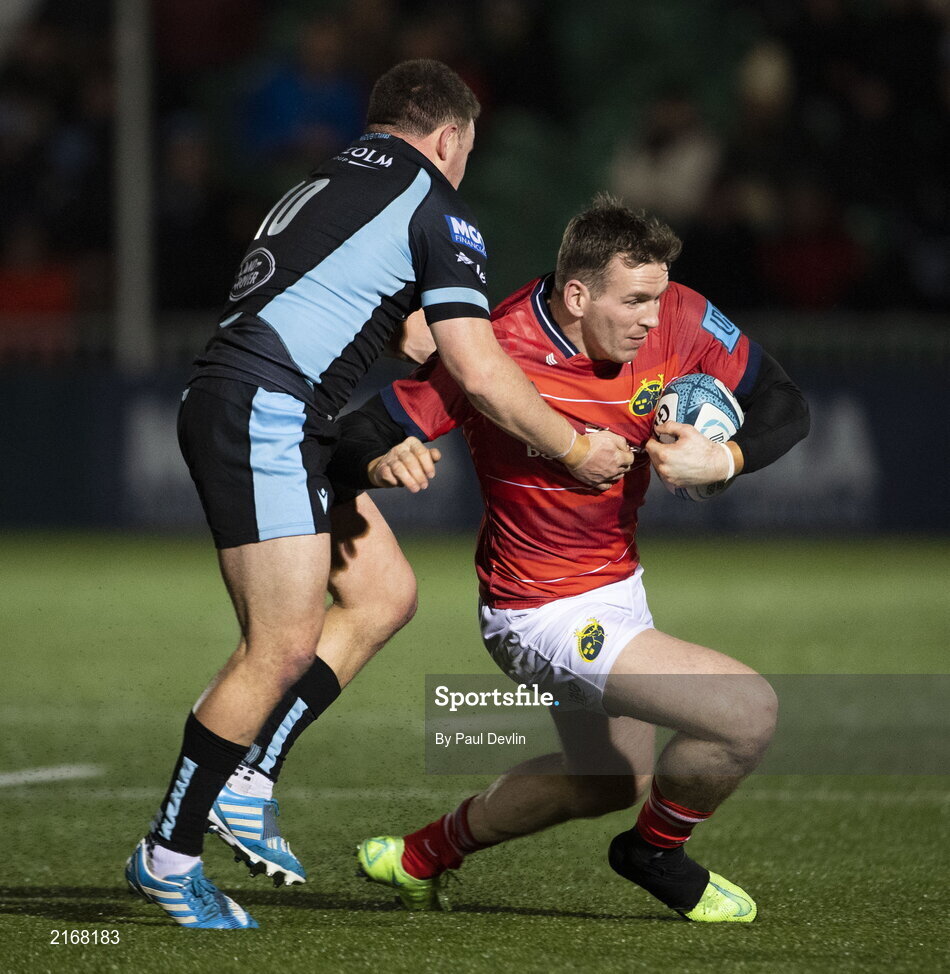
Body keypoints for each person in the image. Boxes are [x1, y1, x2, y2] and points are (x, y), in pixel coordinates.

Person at [125, 60, 631, 931]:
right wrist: (573, 443)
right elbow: (470, 364)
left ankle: (248, 778)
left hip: (269, 407)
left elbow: (397, 326)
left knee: (384, 594)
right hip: (267, 411)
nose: (463, 168)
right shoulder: (436, 203)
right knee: (276, 648)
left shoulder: (331, 180)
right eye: (465, 152)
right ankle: (167, 857)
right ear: (448, 138)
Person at [327, 195, 810, 922]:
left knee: (608, 781)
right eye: (636, 300)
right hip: (538, 613)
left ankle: (420, 857)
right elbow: (362, 427)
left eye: (659, 296)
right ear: (578, 295)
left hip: (619, 586)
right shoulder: (490, 351)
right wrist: (379, 456)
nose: (654, 317)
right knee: (745, 713)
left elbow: (783, 403)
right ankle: (655, 854)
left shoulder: (678, 315)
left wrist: (727, 457)